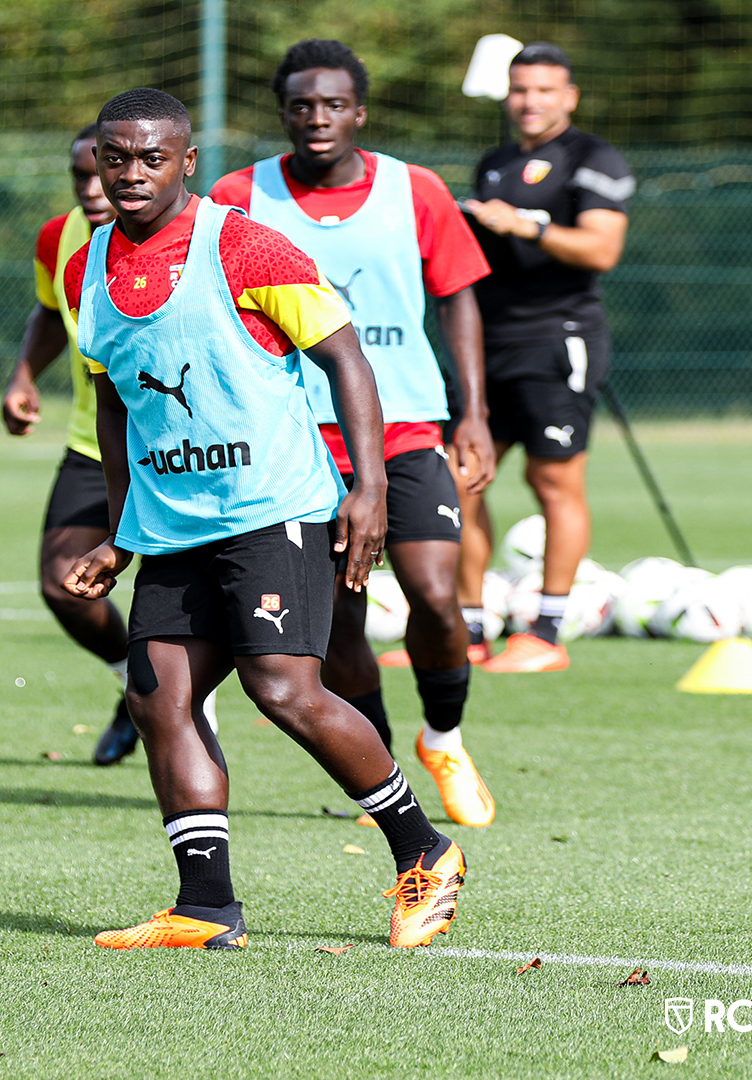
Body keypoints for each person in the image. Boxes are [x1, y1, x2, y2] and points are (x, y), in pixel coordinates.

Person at [60, 88, 465, 950]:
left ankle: (423, 850)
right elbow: (112, 401)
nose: (130, 173)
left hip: (273, 510)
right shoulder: (87, 265)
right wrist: (121, 531)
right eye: (115, 156)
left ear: (186, 162)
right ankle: (206, 907)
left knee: (281, 688)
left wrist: (369, 491)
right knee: (156, 697)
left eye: (151, 158)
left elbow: (346, 359)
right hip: (171, 524)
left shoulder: (243, 243)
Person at [213, 38, 497, 828]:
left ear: (360, 113)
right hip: (293, 441)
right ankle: (382, 775)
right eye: (301, 105)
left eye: (334, 104)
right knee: (338, 621)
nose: (318, 118)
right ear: (283, 114)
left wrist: (472, 412)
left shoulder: (417, 190)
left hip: (404, 428)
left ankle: (444, 737)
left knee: (437, 599)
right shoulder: (241, 195)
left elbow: (460, 297)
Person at [1, 123, 217, 766]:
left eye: (114, 170)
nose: (95, 187)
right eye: (85, 173)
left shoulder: (200, 234)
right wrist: (22, 375)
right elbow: (48, 311)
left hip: (192, 449)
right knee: (60, 581)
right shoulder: (59, 238)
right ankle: (137, 684)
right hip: (99, 443)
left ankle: (182, 695)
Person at [459, 42, 633, 673]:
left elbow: (601, 249)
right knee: (460, 480)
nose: (529, 102)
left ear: (569, 96)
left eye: (542, 90)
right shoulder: (496, 161)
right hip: (489, 344)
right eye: (519, 89)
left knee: (552, 481)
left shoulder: (593, 158)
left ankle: (547, 634)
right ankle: (469, 631)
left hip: (559, 338)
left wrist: (525, 225)